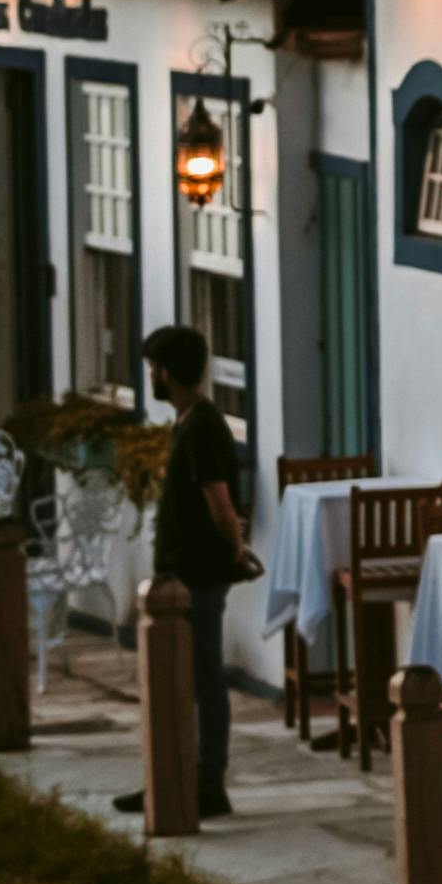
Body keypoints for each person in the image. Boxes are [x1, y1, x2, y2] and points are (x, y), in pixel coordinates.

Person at [134, 321, 254, 824]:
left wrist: (237, 549)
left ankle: (209, 781)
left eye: (153, 370)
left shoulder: (203, 426)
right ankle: (172, 777)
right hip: (180, 574)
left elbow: (219, 503)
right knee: (178, 679)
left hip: (198, 577)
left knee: (205, 679)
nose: (150, 379)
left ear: (167, 373)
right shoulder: (188, 422)